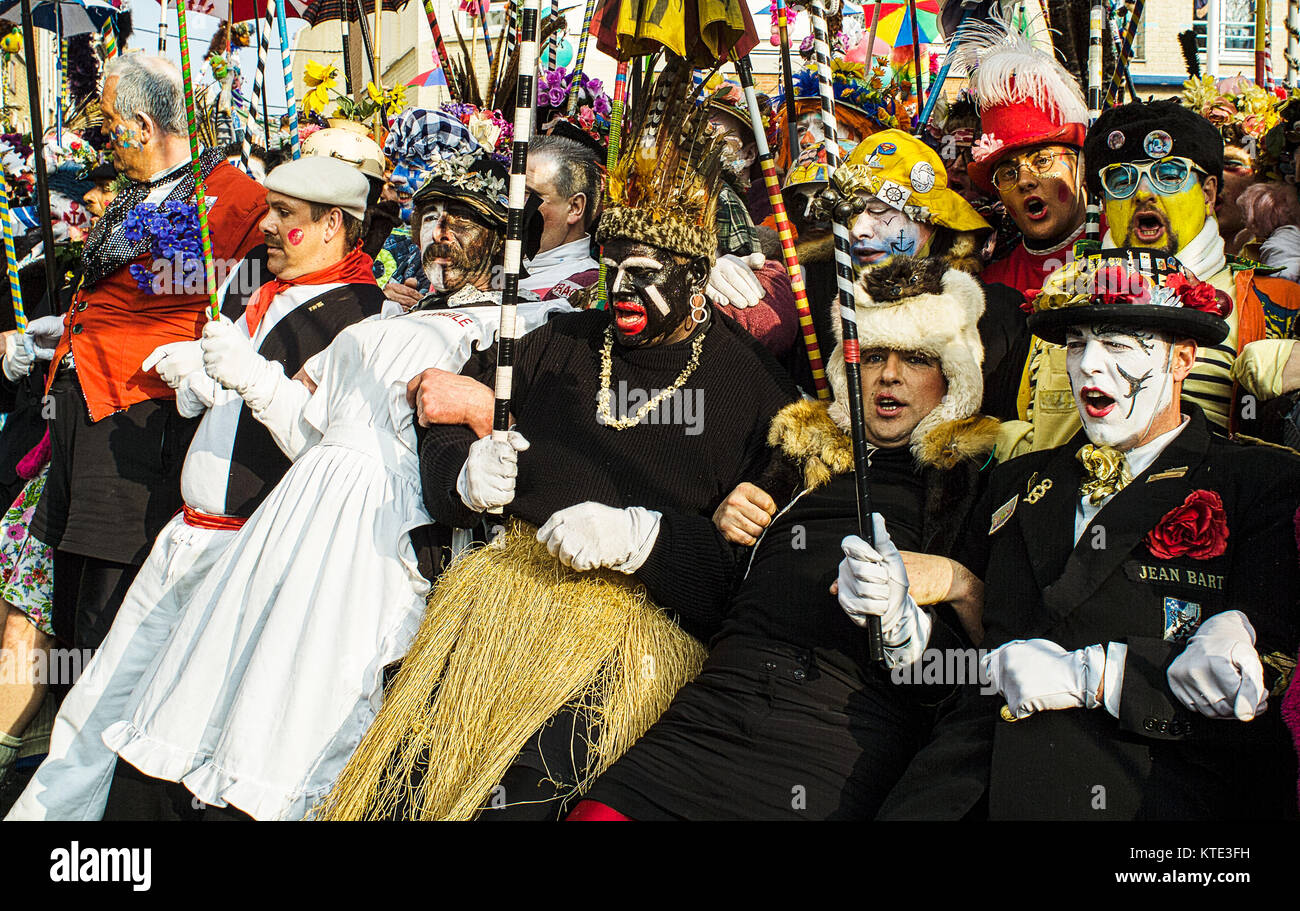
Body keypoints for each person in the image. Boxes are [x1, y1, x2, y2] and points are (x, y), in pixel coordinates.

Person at [317, 58, 800, 822]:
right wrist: (465, 473)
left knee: (518, 805)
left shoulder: (755, 394)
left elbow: (751, 576)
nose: (623, 290)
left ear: (697, 276)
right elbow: (440, 410)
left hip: (625, 643)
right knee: (400, 791)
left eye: (646, 272)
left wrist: (649, 541)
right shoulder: (555, 341)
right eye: (612, 268)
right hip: (495, 606)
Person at [7, 156, 385, 820]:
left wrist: (252, 379)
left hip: (248, 555)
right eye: (269, 209)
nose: (266, 225)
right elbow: (213, 393)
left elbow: (330, 452)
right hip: (186, 533)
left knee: (177, 735)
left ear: (333, 225)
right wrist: (196, 382)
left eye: (286, 216)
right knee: (99, 693)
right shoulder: (254, 288)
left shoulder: (364, 318)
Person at [571, 255, 998, 820]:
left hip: (838, 738)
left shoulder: (980, 480)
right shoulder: (795, 450)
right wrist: (699, 527)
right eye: (872, 356)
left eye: (916, 358)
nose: (889, 375)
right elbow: (711, 589)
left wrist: (936, 600)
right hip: (714, 706)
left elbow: (988, 665)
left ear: (953, 375)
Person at [879, 251, 1300, 820]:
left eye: (1119, 345)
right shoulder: (1015, 480)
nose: (1089, 368)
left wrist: (1101, 677)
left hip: (1134, 791)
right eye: (1077, 344)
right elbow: (965, 665)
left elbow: (1271, 680)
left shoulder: (1259, 481)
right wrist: (903, 622)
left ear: (1182, 359)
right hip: (960, 788)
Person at [27, 54, 268, 652]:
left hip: (139, 411)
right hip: (79, 401)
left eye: (111, 123)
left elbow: (242, 298)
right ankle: (66, 732)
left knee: (105, 603)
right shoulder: (130, 193)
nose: (105, 137)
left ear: (142, 121)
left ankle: (97, 737)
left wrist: (199, 348)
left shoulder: (231, 196)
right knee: (68, 588)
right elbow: (121, 286)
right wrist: (62, 329)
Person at [1007, 100, 1300, 456]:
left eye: (1169, 175)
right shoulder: (1065, 295)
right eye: (1121, 180)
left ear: (1208, 194)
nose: (1144, 193)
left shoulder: (1276, 302)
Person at [955, 20, 1090, 302]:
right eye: (1007, 173)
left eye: (1042, 161)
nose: (1025, 181)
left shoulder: (1126, 254)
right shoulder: (989, 288)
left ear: (1081, 167)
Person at [521, 134, 601, 299]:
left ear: (574, 207)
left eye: (528, 194)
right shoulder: (490, 267)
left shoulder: (588, 289)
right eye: (509, 191)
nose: (511, 205)